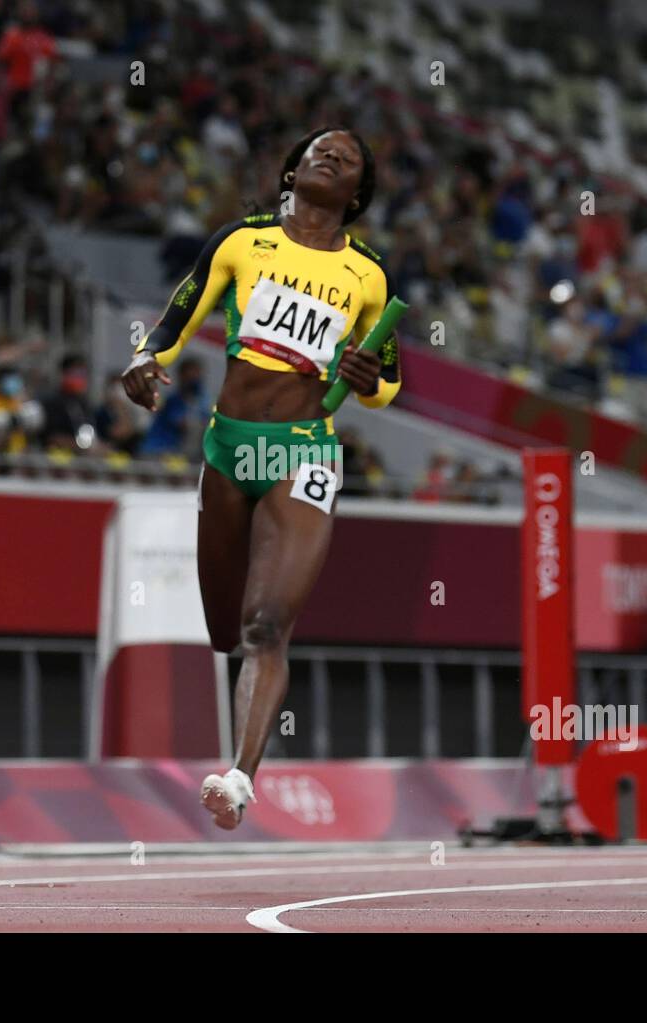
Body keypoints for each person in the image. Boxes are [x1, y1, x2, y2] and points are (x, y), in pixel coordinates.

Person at [120, 127, 400, 829]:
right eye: (320, 150)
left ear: (356, 195)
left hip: (303, 452)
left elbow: (386, 383)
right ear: (291, 171)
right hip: (229, 448)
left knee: (267, 625)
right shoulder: (241, 241)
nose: (332, 156)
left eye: (348, 159)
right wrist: (146, 357)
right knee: (225, 629)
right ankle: (240, 726)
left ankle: (240, 777)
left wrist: (368, 377)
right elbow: (181, 313)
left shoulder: (368, 275)